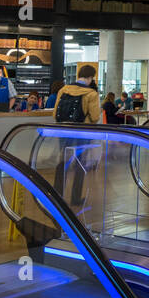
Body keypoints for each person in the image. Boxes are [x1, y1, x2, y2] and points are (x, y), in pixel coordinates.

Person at [52, 64, 102, 207]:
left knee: (62, 163)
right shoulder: (91, 94)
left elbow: (55, 113)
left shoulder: (63, 90)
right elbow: (95, 117)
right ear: (91, 77)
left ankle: (57, 196)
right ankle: (75, 198)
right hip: (82, 133)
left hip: (64, 132)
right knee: (80, 164)